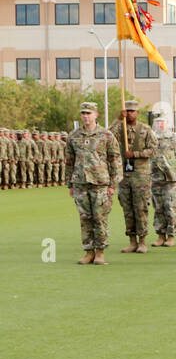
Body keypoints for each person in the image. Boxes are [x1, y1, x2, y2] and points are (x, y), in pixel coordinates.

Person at [66, 102, 121, 265]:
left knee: (100, 218)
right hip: (80, 182)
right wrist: (70, 183)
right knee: (85, 219)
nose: (85, 116)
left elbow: (115, 160)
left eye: (89, 113)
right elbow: (69, 161)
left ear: (96, 115)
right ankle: (88, 251)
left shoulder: (106, 135)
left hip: (100, 183)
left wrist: (113, 185)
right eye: (83, 113)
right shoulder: (73, 136)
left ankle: (100, 252)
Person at [109, 99, 157, 253]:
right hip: (124, 174)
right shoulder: (120, 128)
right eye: (127, 111)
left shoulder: (145, 129)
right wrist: (118, 119)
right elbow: (107, 137)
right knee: (127, 208)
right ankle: (132, 241)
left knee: (140, 208)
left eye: (132, 111)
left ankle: (142, 241)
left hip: (140, 175)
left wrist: (135, 154)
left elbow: (153, 150)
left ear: (137, 112)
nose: (129, 113)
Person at [150, 115, 176, 247]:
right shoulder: (151, 138)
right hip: (155, 178)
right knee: (158, 208)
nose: (160, 124)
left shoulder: (174, 138)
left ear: (167, 123)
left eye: (162, 122)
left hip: (170, 179)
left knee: (170, 208)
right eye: (158, 122)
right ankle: (160, 235)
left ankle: (171, 236)